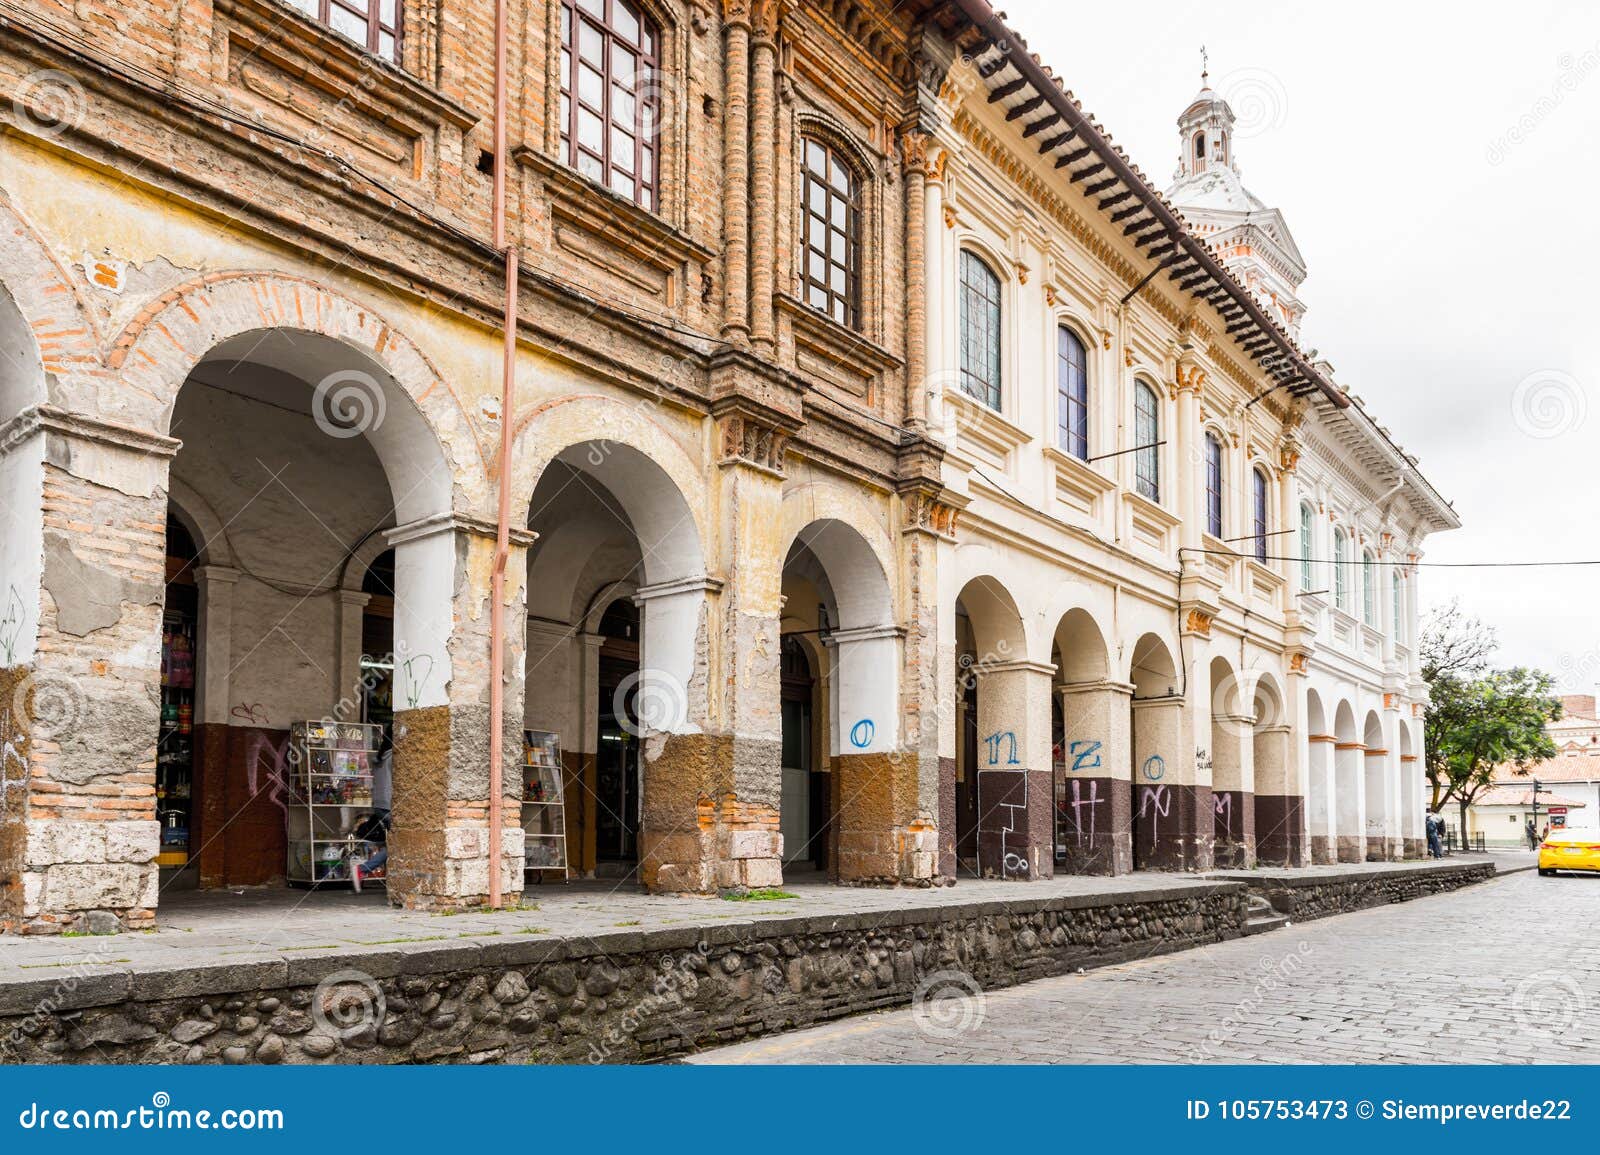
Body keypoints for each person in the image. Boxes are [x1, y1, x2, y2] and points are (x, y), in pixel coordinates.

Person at [352, 733, 392, 893]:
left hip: (379, 803)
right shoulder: (394, 756)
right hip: (390, 804)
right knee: (399, 845)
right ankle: (363, 869)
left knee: (394, 844)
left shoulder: (379, 757)